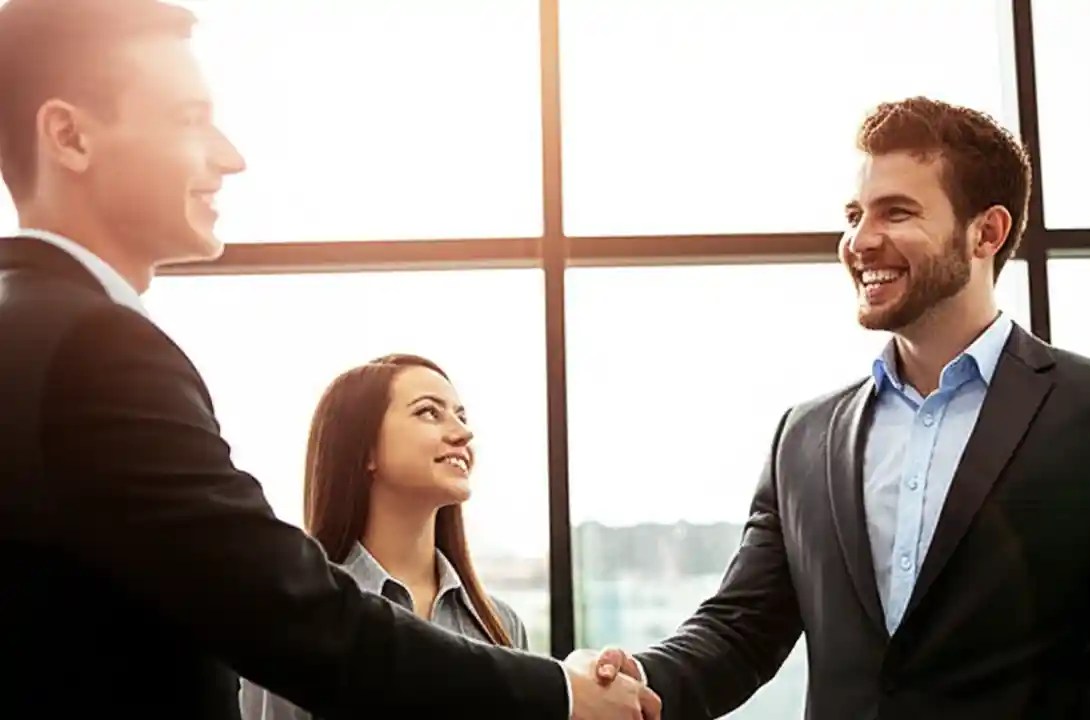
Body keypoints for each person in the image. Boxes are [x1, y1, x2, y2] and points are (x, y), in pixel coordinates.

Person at [0, 1, 658, 718]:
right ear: (69, 136)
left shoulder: (33, 330)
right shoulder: (99, 351)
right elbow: (286, 609)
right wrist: (558, 694)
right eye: (189, 120)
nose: (229, 156)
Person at [572, 96, 1090, 718]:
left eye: (896, 213)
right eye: (854, 215)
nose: (860, 241)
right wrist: (637, 679)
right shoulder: (803, 436)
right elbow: (740, 631)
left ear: (986, 233)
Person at [241, 353, 538, 718]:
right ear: (365, 449)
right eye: (429, 412)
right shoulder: (299, 619)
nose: (463, 433)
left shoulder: (500, 625)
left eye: (461, 416)